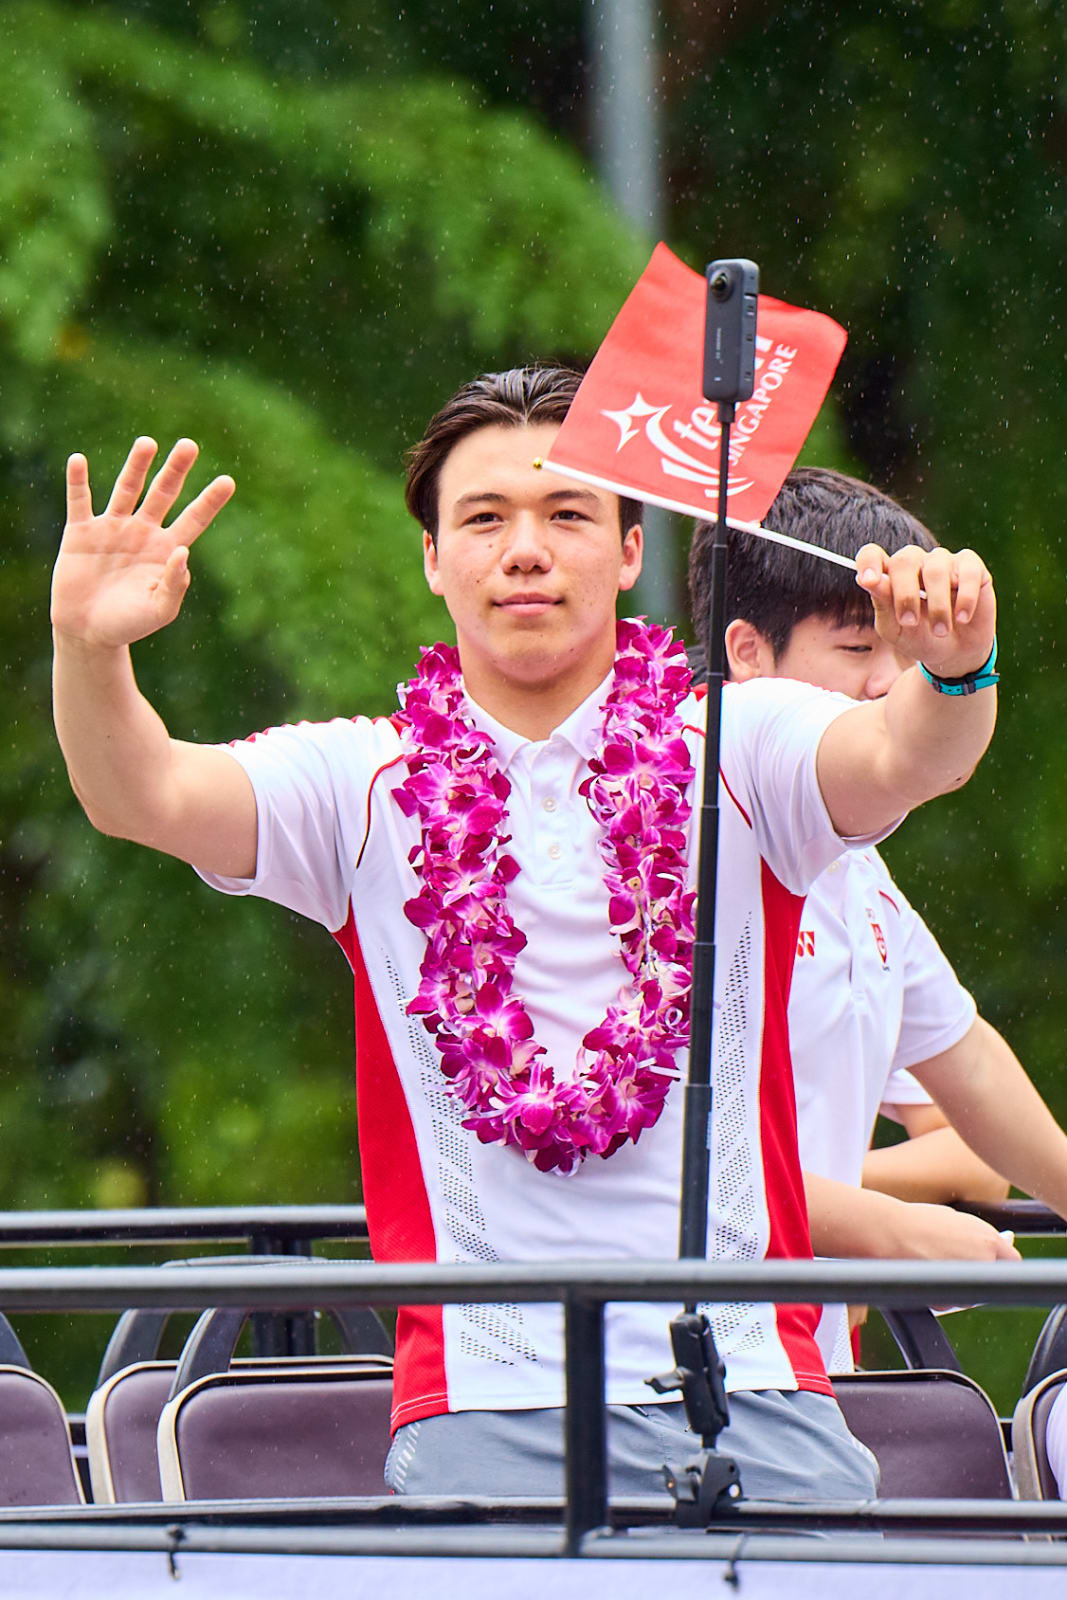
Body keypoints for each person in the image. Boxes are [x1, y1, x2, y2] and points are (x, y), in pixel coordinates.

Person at [52, 368, 1000, 1503]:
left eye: (564, 514)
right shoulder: (362, 781)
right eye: (483, 518)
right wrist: (91, 652)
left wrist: (954, 666)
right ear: (433, 559)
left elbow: (911, 755)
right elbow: (139, 794)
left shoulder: (738, 746)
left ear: (628, 549)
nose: (524, 548)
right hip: (484, 1412)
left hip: (752, 1391)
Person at [690, 467, 1067, 1369]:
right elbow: (644, 1173)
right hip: (665, 1371)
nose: (887, 685)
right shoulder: (657, 854)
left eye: (908, 657)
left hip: (808, 1370)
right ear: (746, 653)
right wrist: (878, 1226)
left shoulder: (861, 875)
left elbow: (965, 1068)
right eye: (859, 651)